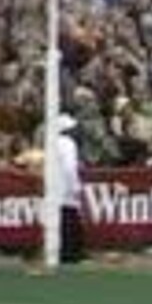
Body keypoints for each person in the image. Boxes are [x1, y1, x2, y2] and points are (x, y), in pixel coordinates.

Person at [56, 113, 85, 264]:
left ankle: (64, 252)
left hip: (54, 191)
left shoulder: (51, 142)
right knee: (69, 222)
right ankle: (71, 253)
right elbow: (69, 168)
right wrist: (75, 187)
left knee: (61, 223)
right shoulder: (68, 143)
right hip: (66, 190)